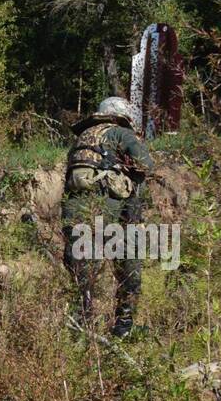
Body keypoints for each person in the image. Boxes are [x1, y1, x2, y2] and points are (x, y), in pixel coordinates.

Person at [61, 96, 155, 337]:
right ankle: (124, 326)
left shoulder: (81, 140)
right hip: (108, 210)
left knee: (82, 274)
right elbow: (146, 164)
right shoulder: (120, 134)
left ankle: (81, 329)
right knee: (130, 265)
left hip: (73, 211)